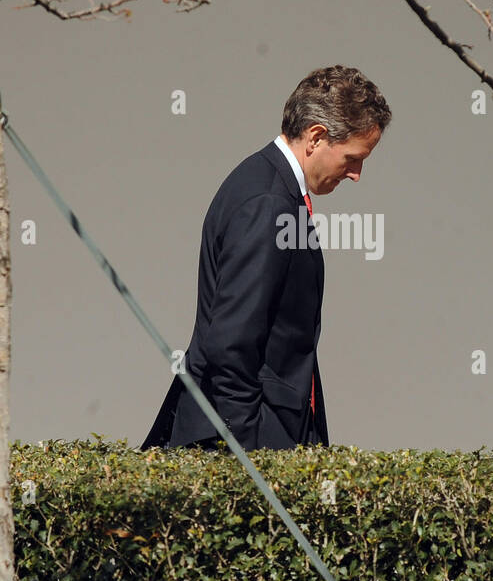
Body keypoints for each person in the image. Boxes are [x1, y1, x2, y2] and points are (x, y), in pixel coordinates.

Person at [140, 65, 391, 452]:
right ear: (316, 137)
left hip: (260, 432)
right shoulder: (268, 203)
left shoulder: (267, 186)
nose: (357, 174)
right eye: (353, 157)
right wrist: (246, 460)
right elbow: (231, 342)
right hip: (247, 442)